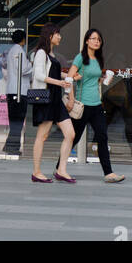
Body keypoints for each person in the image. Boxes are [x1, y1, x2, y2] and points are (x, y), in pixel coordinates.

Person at [67, 29, 125, 183]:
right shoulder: (80, 58)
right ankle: (59, 167)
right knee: (74, 138)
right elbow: (68, 78)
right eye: (93, 39)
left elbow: (93, 80)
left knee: (102, 137)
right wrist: (71, 97)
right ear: (87, 41)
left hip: (97, 105)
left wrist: (102, 79)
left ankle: (109, 173)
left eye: (99, 39)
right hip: (82, 105)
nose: (96, 41)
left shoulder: (99, 59)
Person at [29, 23, 76, 184]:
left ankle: (61, 170)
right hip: (46, 99)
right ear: (50, 36)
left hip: (56, 99)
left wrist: (69, 77)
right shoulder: (41, 53)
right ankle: (36, 172)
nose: (60, 37)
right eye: (58, 34)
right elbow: (40, 75)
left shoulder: (51, 54)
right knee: (42, 136)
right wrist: (60, 83)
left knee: (70, 134)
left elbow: (55, 72)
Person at [1, 28, 32, 155]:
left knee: (14, 120)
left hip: (11, 89)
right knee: (18, 120)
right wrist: (32, 64)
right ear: (23, 39)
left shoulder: (11, 51)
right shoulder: (19, 51)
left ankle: (10, 145)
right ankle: (13, 147)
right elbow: (24, 69)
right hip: (20, 91)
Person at [102, 69, 132, 149]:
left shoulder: (112, 60)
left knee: (104, 124)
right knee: (128, 123)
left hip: (117, 95)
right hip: (116, 95)